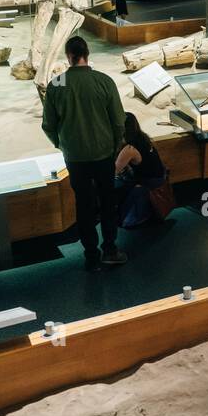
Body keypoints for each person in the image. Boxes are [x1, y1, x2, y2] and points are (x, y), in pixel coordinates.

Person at [41, 36, 127, 271]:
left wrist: (62, 144)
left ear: (69, 56)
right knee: (108, 202)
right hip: (103, 155)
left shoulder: (57, 84)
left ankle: (91, 254)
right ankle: (110, 248)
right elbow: (119, 121)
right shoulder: (104, 81)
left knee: (84, 204)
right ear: (87, 54)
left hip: (75, 157)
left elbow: (48, 125)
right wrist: (113, 144)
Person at [114, 112, 169, 229]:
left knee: (119, 185)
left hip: (150, 182)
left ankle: (123, 217)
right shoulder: (143, 137)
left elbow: (114, 171)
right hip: (159, 175)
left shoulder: (129, 149)